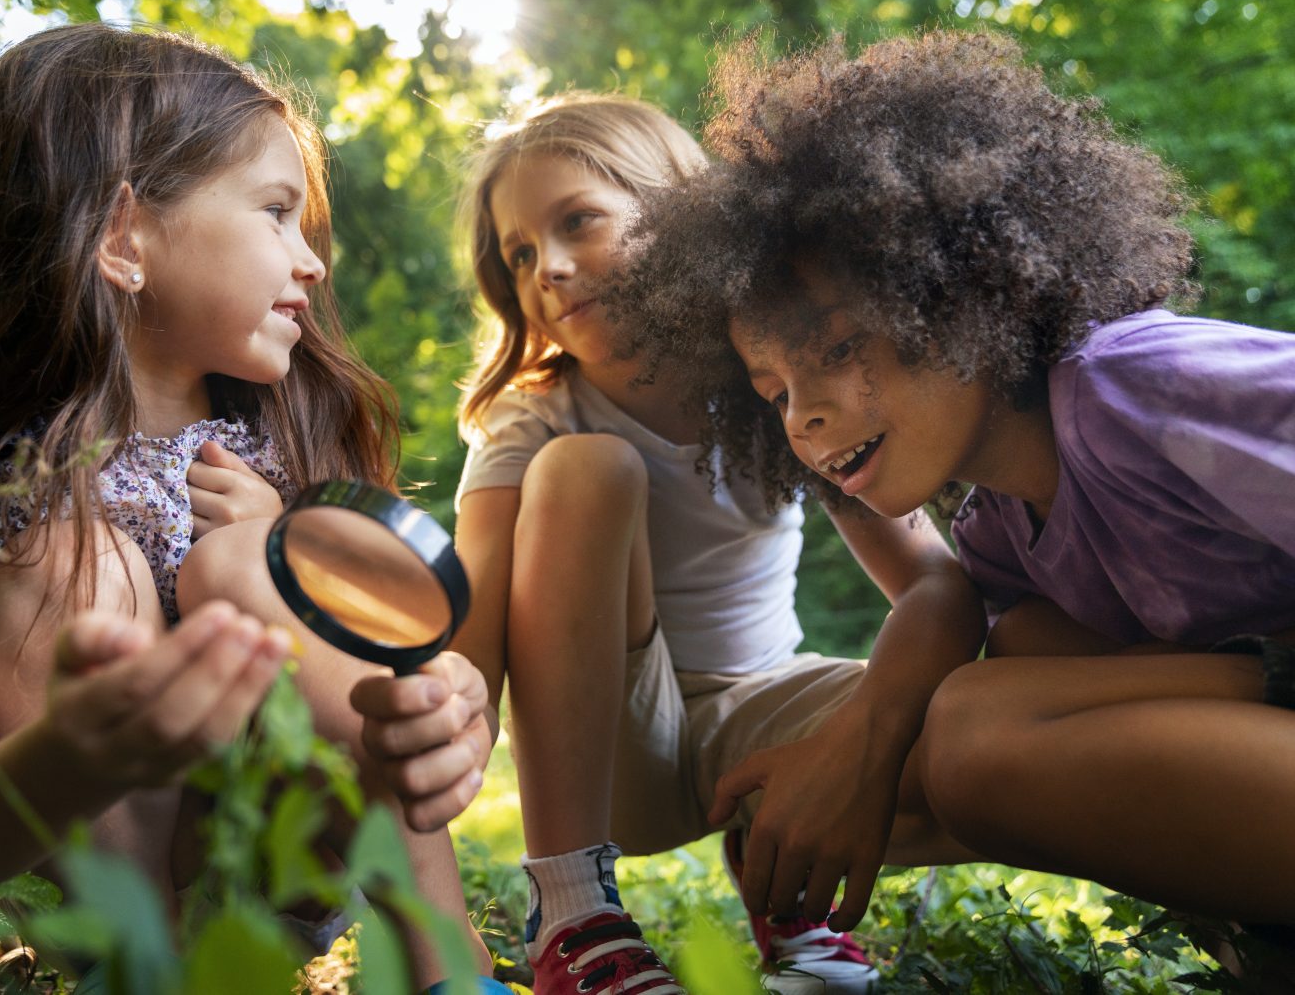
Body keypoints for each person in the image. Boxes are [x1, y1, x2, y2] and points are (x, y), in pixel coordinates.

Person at [610, 29, 1295, 972]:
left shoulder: (1128, 383)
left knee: (975, 717)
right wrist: (861, 746)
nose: (804, 416)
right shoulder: (1005, 544)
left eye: (838, 350)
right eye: (774, 393)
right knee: (974, 718)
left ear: (956, 287)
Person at [0, 23, 509, 994]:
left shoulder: (284, 452)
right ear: (123, 237)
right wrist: (64, 757)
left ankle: (447, 969)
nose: (310, 262)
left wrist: (444, 694)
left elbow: (406, 652)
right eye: (273, 212)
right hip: (114, 896)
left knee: (244, 558)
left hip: (281, 859)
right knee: (61, 550)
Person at [348, 92, 984, 994]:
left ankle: (785, 885)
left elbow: (934, 586)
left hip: (760, 718)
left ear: (682, 216)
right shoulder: (532, 417)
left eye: (579, 223)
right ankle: (572, 913)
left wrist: (858, 743)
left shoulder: (777, 380)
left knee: (985, 728)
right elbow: (475, 620)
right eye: (520, 253)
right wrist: (443, 712)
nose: (550, 270)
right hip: (614, 758)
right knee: (590, 468)